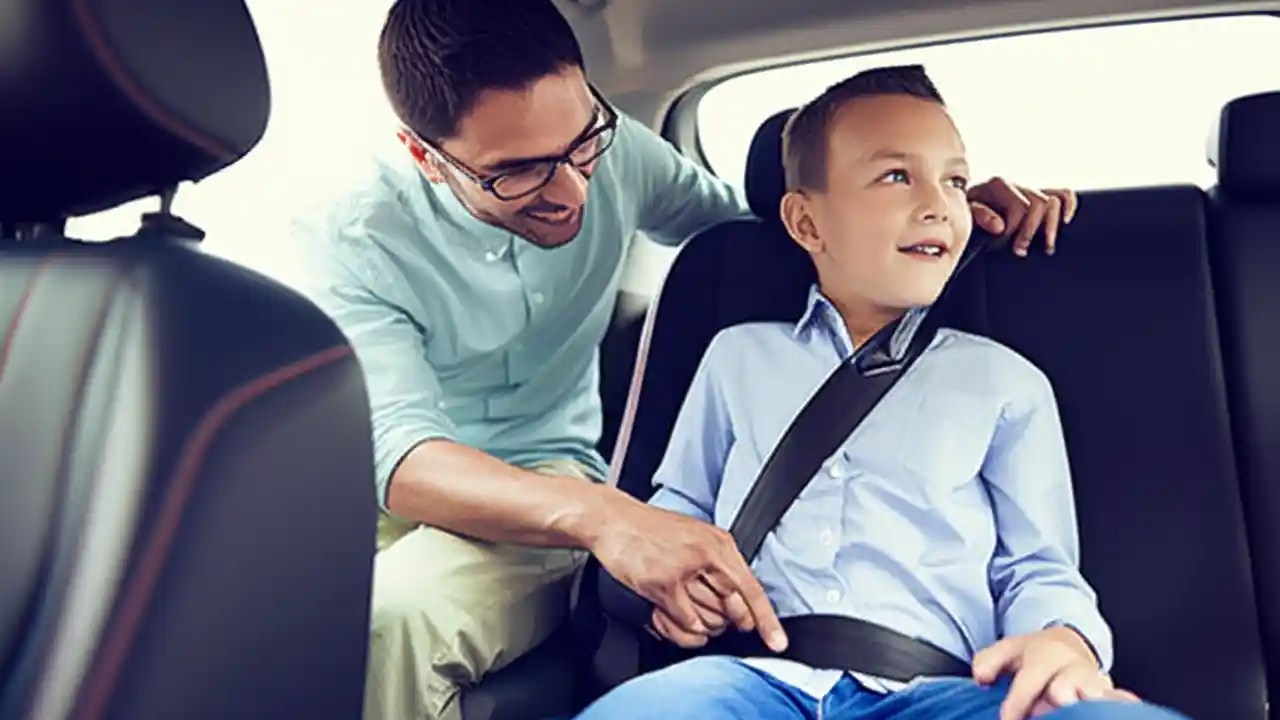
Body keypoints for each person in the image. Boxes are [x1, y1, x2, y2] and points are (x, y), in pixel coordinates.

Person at [295, 2, 1086, 718]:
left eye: (582, 145)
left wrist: (936, 210)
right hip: (405, 490)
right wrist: (615, 520)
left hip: (551, 474)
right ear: (425, 155)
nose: (572, 190)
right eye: (520, 171)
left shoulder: (623, 159)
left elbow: (759, 239)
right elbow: (402, 457)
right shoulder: (356, 241)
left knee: (392, 621)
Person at [573, 66, 1190, 720]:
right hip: (749, 684)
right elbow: (679, 513)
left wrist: (1063, 641)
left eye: (954, 181)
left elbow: (1037, 566)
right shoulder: (737, 356)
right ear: (806, 223)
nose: (937, 204)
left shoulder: (1005, 382)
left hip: (942, 693)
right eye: (897, 176)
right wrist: (674, 588)